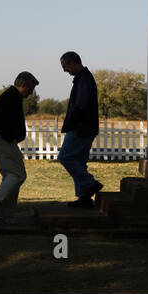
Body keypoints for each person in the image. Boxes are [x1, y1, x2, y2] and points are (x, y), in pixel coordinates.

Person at [0, 71, 39, 223]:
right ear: (22, 84)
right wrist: (13, 137)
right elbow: (6, 123)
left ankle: (4, 213)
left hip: (1, 139)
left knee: (11, 175)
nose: (31, 93)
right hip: (3, 139)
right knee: (18, 175)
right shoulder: (12, 97)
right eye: (30, 88)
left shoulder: (11, 96)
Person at [57, 51, 102, 207]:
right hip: (87, 127)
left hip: (81, 128)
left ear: (72, 62)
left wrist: (72, 122)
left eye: (65, 66)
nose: (64, 70)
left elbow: (81, 106)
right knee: (79, 162)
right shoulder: (84, 78)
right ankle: (84, 198)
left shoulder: (83, 79)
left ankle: (90, 183)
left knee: (65, 157)